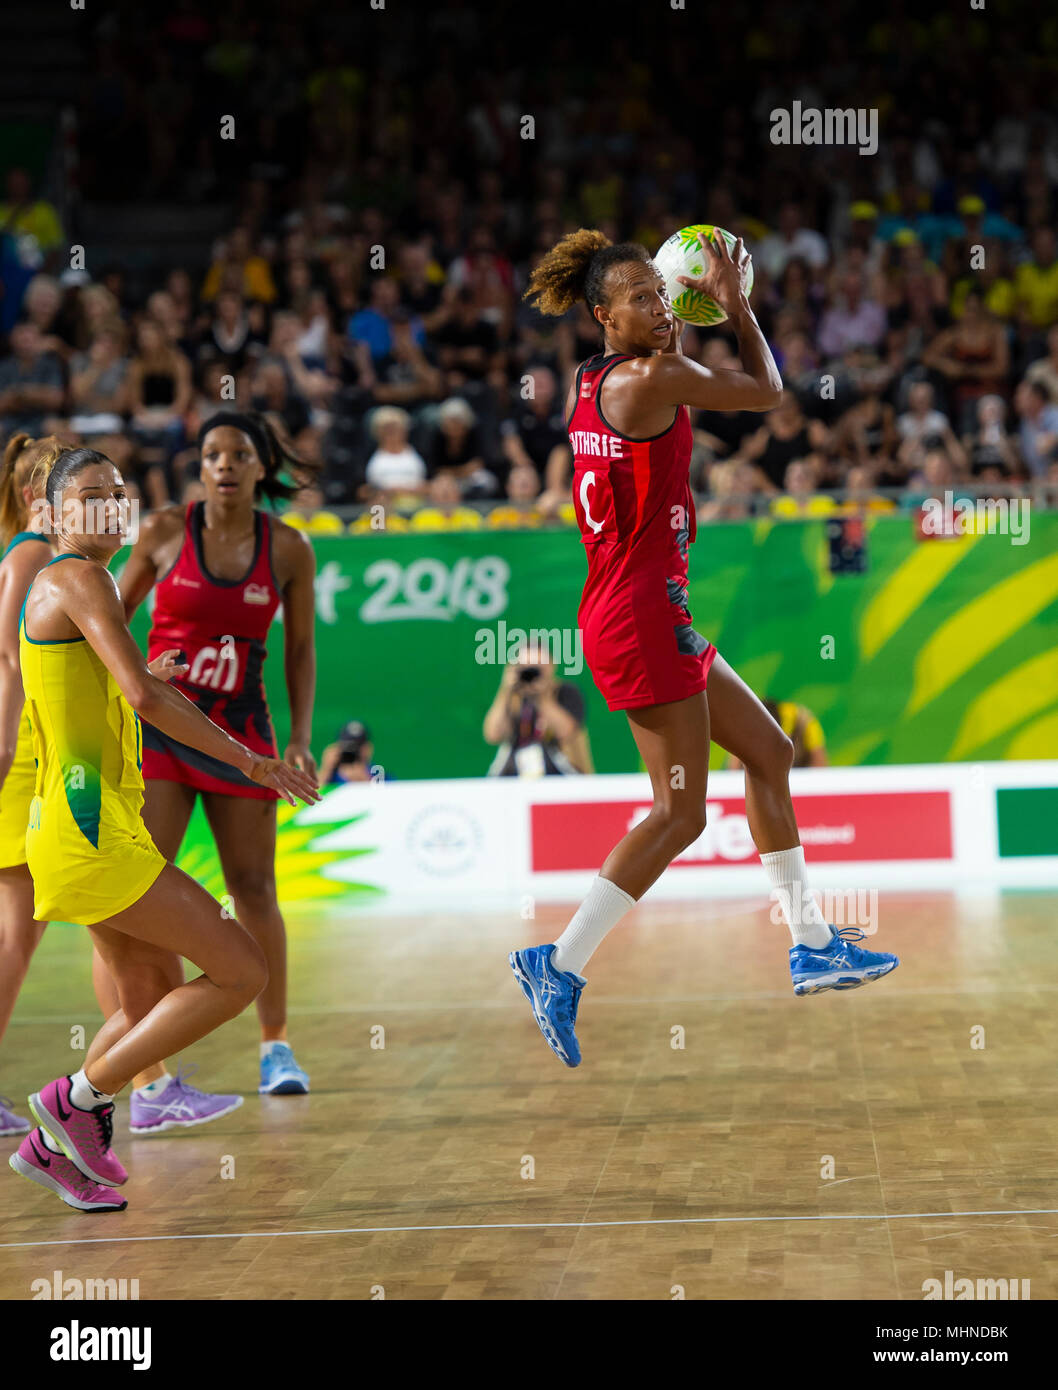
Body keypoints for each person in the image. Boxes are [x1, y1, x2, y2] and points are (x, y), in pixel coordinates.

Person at [509, 229, 898, 1067]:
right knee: (680, 812)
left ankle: (812, 943)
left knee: (770, 749)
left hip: (650, 611)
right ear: (603, 316)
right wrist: (735, 302)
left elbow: (668, 383)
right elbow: (766, 390)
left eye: (662, 291)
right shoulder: (653, 376)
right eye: (642, 298)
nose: (659, 307)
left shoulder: (596, 378)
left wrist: (682, 314)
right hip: (639, 619)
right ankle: (559, 963)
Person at [8, 444, 317, 1210]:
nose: (110, 506)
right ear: (49, 514)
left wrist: (152, 683)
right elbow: (142, 696)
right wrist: (252, 761)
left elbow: (119, 689)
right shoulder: (76, 575)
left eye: (118, 493)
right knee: (241, 971)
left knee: (147, 1001)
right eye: (88, 496)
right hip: (89, 831)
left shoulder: (86, 582)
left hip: (87, 822)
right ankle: (80, 1098)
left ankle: (57, 1150)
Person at [96, 411, 321, 1111]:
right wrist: (136, 672)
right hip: (163, 732)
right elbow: (110, 616)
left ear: (260, 467)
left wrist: (299, 738)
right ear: (199, 467)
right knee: (138, 895)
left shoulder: (288, 549)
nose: (224, 464)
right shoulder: (164, 531)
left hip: (241, 738)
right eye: (212, 454)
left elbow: (301, 650)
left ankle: (274, 1045)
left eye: (238, 454)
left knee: (254, 889)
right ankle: (147, 1075)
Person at [0, 435, 64, 1137]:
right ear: (30, 496)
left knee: (20, 934)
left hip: (32, 753)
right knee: (16, 937)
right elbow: (10, 657)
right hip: (22, 756)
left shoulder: (44, 556)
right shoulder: (30, 553)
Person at [484, 645, 592, 777]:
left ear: (552, 666)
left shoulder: (565, 692)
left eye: (538, 666)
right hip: (513, 775)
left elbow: (567, 732)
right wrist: (506, 690)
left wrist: (541, 699)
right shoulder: (513, 698)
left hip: (559, 776)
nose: (531, 673)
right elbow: (493, 735)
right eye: (526, 666)